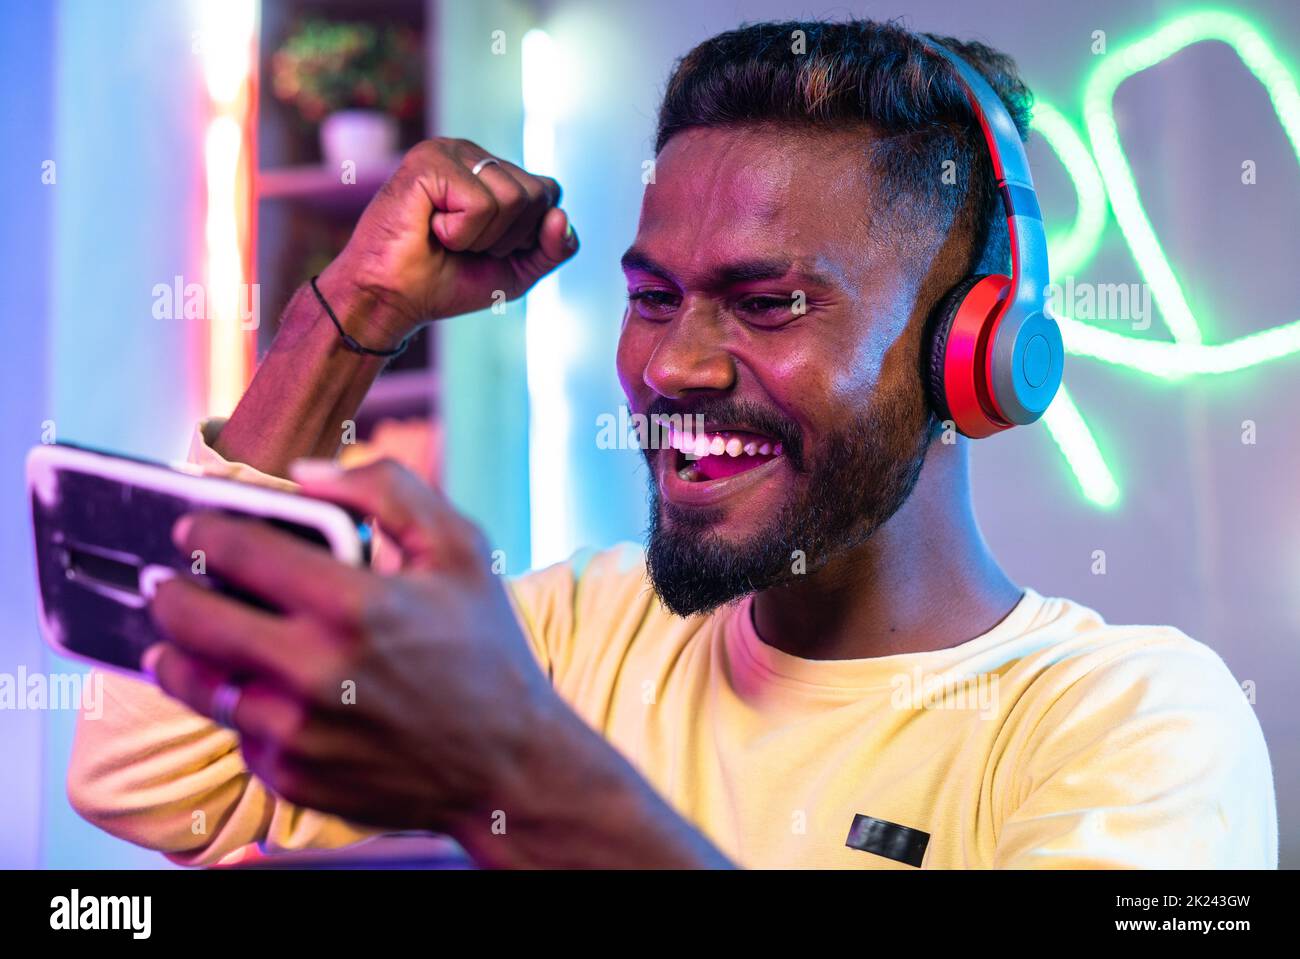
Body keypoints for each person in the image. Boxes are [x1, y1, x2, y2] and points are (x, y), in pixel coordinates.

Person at [68, 19, 1276, 869]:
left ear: (974, 348)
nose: (671, 367)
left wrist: (511, 774)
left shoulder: (1135, 722)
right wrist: (346, 321)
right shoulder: (570, 635)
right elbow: (157, 787)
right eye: (653, 297)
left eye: (769, 303)